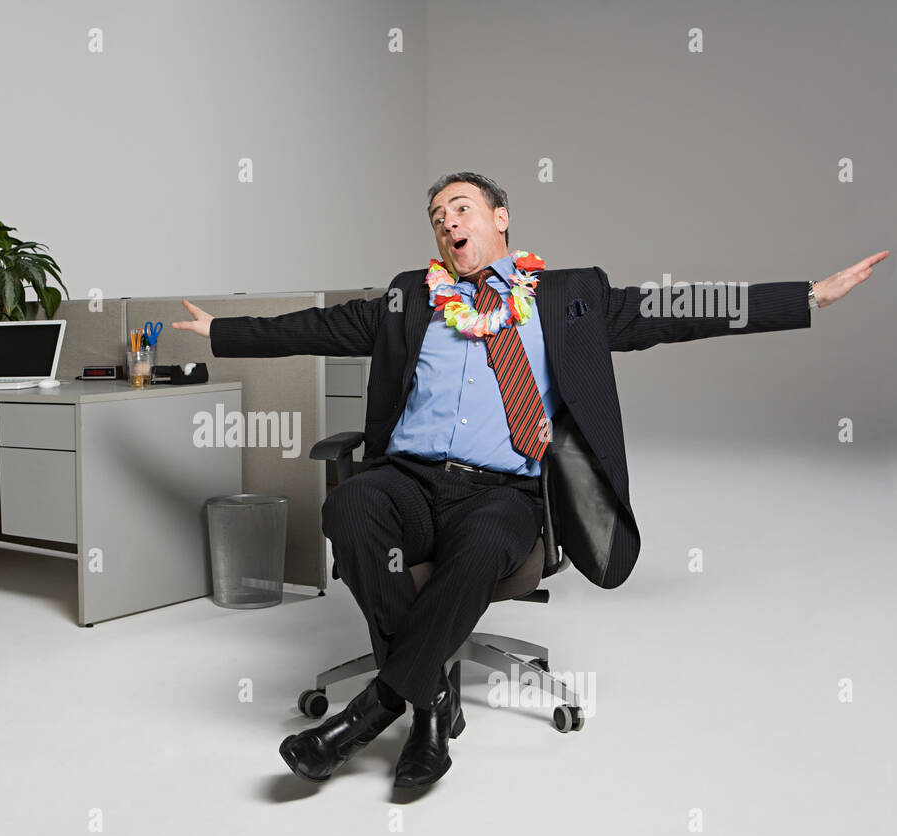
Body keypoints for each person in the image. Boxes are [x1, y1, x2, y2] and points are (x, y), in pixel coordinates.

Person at [172, 171, 888, 792]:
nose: (448, 221)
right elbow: (321, 327)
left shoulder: (570, 296)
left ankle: (377, 712)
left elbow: (677, 311)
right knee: (352, 506)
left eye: (461, 207)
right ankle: (426, 707)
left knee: (485, 545)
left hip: (505, 493)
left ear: (499, 217)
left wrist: (808, 299)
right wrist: (223, 333)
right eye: (437, 216)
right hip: (410, 484)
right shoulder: (410, 299)